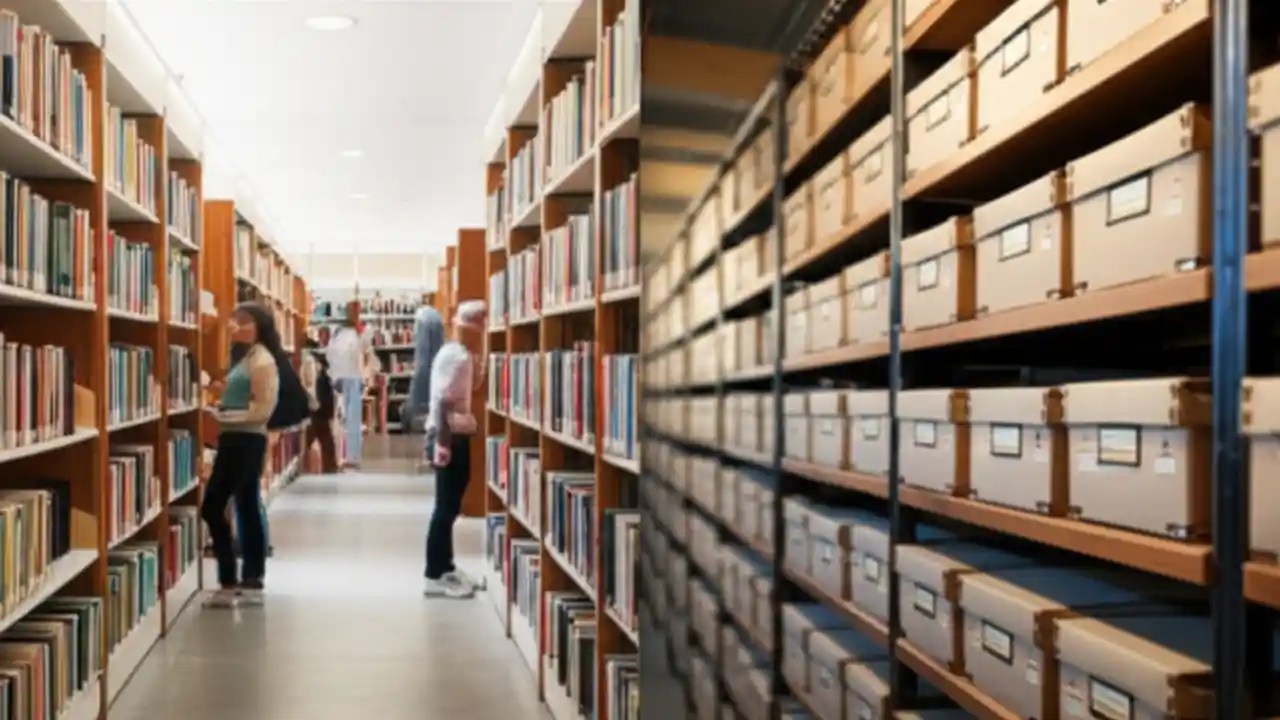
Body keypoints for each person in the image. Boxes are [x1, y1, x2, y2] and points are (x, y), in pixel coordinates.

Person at [202, 302, 281, 607]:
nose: (234, 326)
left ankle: (229, 577)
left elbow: (262, 411)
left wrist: (221, 418)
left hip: (244, 441)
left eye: (242, 321)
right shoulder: (247, 357)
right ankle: (250, 576)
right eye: (233, 319)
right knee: (246, 503)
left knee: (212, 506)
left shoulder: (262, 362)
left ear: (257, 325)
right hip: (235, 437)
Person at [423, 300, 487, 598]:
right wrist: (443, 444)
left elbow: (465, 392)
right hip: (449, 436)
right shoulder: (458, 358)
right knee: (445, 507)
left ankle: (446, 566)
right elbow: (445, 401)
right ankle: (435, 573)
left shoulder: (455, 353)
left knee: (449, 505)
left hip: (450, 433)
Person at [325, 300, 368, 469]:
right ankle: (349, 456)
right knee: (348, 418)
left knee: (346, 418)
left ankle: (348, 456)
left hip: (344, 377)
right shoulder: (349, 333)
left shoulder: (341, 333)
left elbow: (331, 354)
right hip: (349, 377)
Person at [403, 297, 445, 431]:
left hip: (422, 389)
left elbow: (421, 363)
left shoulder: (423, 318)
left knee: (410, 417)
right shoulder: (436, 319)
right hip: (436, 388)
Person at [302, 337, 339, 473]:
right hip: (324, 404)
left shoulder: (310, 361)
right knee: (325, 435)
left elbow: (311, 386)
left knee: (321, 434)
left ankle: (327, 465)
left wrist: (314, 403)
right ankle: (329, 465)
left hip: (319, 406)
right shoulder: (321, 364)